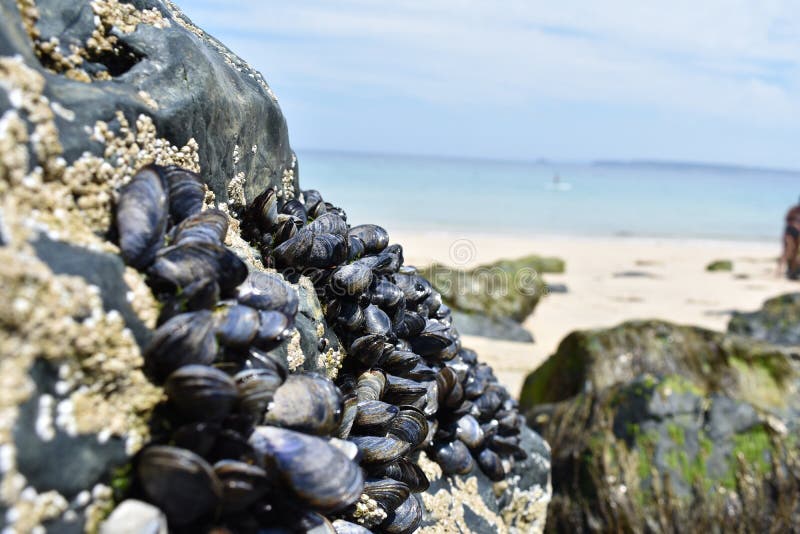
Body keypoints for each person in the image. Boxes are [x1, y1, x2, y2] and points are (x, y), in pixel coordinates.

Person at [779, 199, 800, 279]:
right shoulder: (793, 210)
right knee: (788, 252)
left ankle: (792, 271)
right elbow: (788, 220)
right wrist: (795, 225)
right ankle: (779, 271)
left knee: (795, 253)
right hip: (790, 233)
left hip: (797, 233)